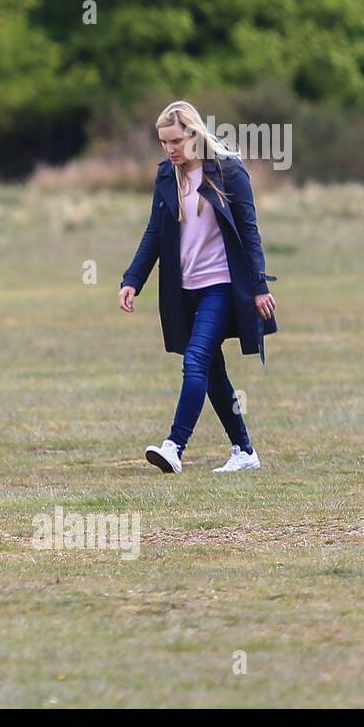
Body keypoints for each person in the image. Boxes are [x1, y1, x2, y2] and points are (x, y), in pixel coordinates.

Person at [119, 100, 278, 474]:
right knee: (211, 371)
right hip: (183, 290)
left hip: (221, 286)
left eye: (175, 141)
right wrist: (132, 279)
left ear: (194, 133)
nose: (170, 149)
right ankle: (244, 451)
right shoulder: (166, 176)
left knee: (194, 363)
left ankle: (174, 446)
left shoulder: (228, 173)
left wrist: (258, 285)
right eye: (163, 143)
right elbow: (155, 233)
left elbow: (250, 232)